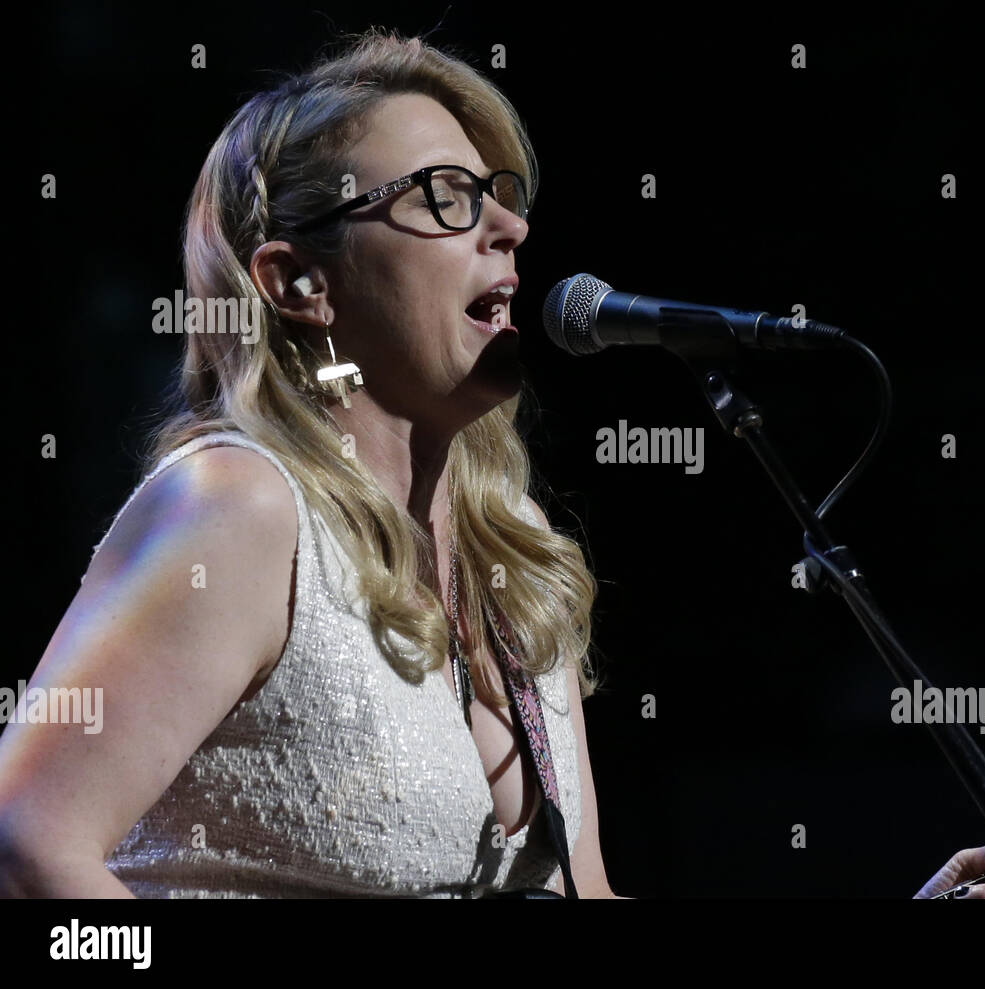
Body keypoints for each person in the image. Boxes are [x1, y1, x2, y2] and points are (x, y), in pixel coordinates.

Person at [0, 29, 624, 898]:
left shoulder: (515, 559)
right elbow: (25, 847)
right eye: (445, 196)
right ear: (299, 283)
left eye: (497, 194)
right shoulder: (244, 511)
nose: (510, 227)